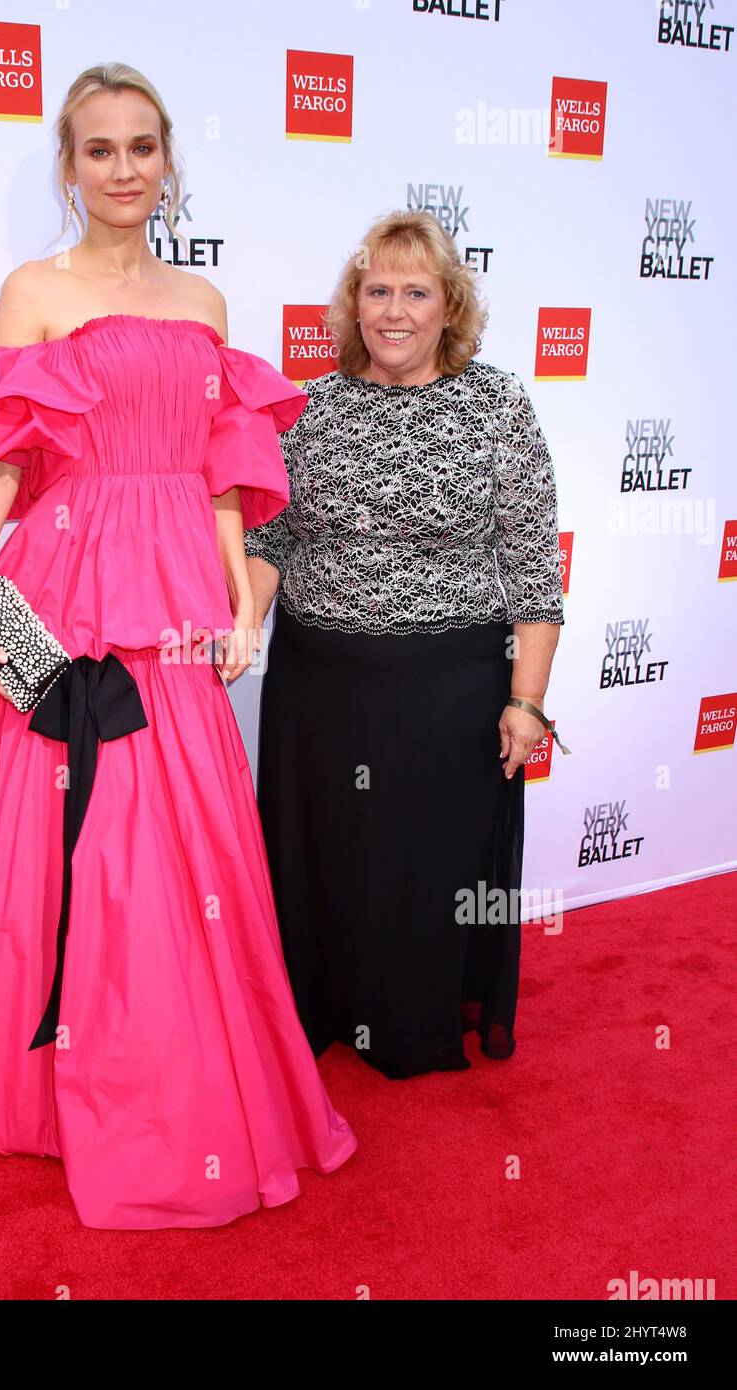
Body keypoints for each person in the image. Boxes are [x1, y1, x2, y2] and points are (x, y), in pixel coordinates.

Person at [0, 63, 357, 1229]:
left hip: (180, 584)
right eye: (100, 150)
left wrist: (242, 604)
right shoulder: (32, 289)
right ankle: (37, 1084)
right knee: (44, 820)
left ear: (169, 161)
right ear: (68, 166)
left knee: (183, 832)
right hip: (62, 580)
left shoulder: (204, 307)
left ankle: (177, 1075)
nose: (124, 168)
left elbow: (224, 479)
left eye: (143, 147)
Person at [244, 209, 567, 1081]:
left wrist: (525, 699)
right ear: (353, 304)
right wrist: (240, 619)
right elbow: (271, 541)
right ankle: (323, 1010)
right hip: (319, 687)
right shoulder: (304, 406)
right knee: (329, 857)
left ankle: (416, 1018)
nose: (393, 309)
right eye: (376, 289)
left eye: (415, 291)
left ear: (449, 305)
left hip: (449, 688)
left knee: (430, 862)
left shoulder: (495, 402)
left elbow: (533, 566)